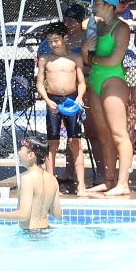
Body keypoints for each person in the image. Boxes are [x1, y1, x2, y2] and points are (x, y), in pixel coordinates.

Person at [78, 0, 136, 197]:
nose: (94, 6)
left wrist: (91, 59)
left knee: (120, 134)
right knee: (103, 135)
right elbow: (86, 57)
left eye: (98, 3)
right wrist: (85, 50)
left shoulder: (121, 28)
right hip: (95, 80)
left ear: (111, 4)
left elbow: (113, 60)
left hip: (112, 80)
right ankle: (109, 180)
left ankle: (123, 183)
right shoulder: (99, 27)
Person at [35, 23, 87, 193]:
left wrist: (79, 98)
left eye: (56, 40)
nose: (54, 44)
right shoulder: (45, 59)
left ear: (65, 38)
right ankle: (52, 186)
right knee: (53, 142)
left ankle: (81, 184)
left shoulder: (75, 58)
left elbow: (81, 83)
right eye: (50, 41)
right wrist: (47, 100)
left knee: (75, 142)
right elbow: (40, 84)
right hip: (54, 102)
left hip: (71, 101)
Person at [0, 135, 62, 232]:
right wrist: (40, 207)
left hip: (30, 235)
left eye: (21, 149)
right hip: (46, 231)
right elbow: (57, 214)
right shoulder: (52, 179)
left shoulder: (27, 179)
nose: (18, 152)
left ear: (31, 155)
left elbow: (23, 215)